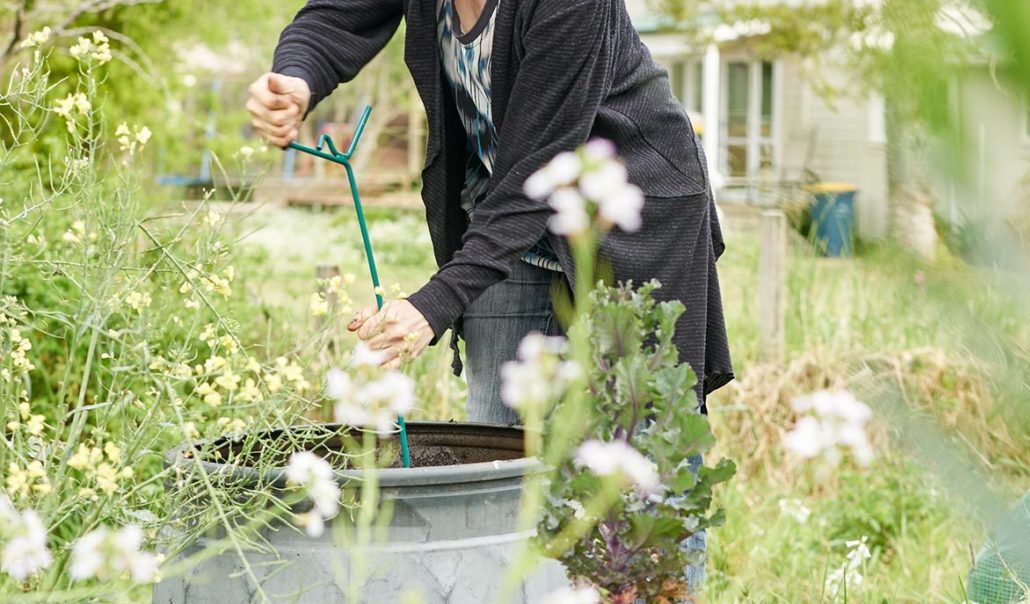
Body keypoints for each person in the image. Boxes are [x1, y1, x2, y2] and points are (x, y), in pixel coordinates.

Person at [247, 0, 733, 424]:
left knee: (641, 438)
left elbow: (537, 169)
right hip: (504, 222)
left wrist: (432, 306)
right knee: (497, 438)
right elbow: (336, 16)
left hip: (629, 222)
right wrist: (296, 76)